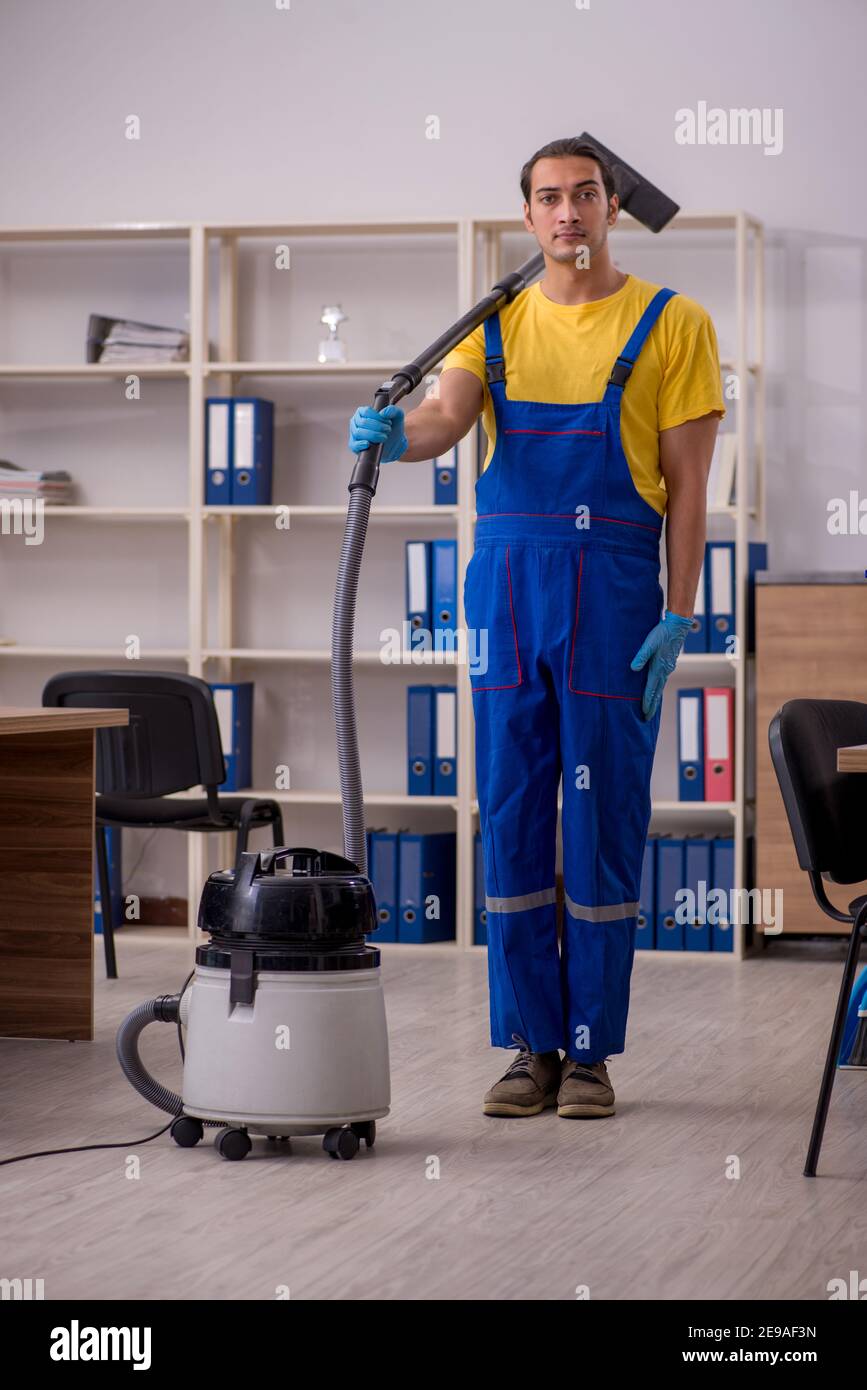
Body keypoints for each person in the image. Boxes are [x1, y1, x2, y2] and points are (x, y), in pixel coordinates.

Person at [348, 136, 724, 1121]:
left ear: (611, 209)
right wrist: (399, 437)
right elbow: (445, 421)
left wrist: (680, 612)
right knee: (514, 813)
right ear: (529, 216)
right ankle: (530, 1047)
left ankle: (592, 1053)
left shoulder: (673, 323)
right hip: (507, 594)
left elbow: (689, 490)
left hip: (613, 597)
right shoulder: (493, 322)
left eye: (586, 195)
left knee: (599, 824)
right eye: (550, 198)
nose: (569, 214)